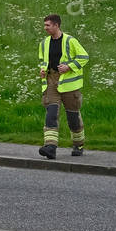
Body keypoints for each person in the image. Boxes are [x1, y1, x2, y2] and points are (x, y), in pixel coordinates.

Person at [37, 13, 89, 159]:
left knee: (73, 116)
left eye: (48, 25)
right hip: (51, 81)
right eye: (45, 25)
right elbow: (43, 60)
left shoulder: (70, 41)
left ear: (56, 25)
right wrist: (42, 69)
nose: (45, 28)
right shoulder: (44, 43)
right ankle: (50, 147)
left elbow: (84, 57)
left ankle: (78, 145)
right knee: (51, 113)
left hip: (69, 85)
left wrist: (69, 66)